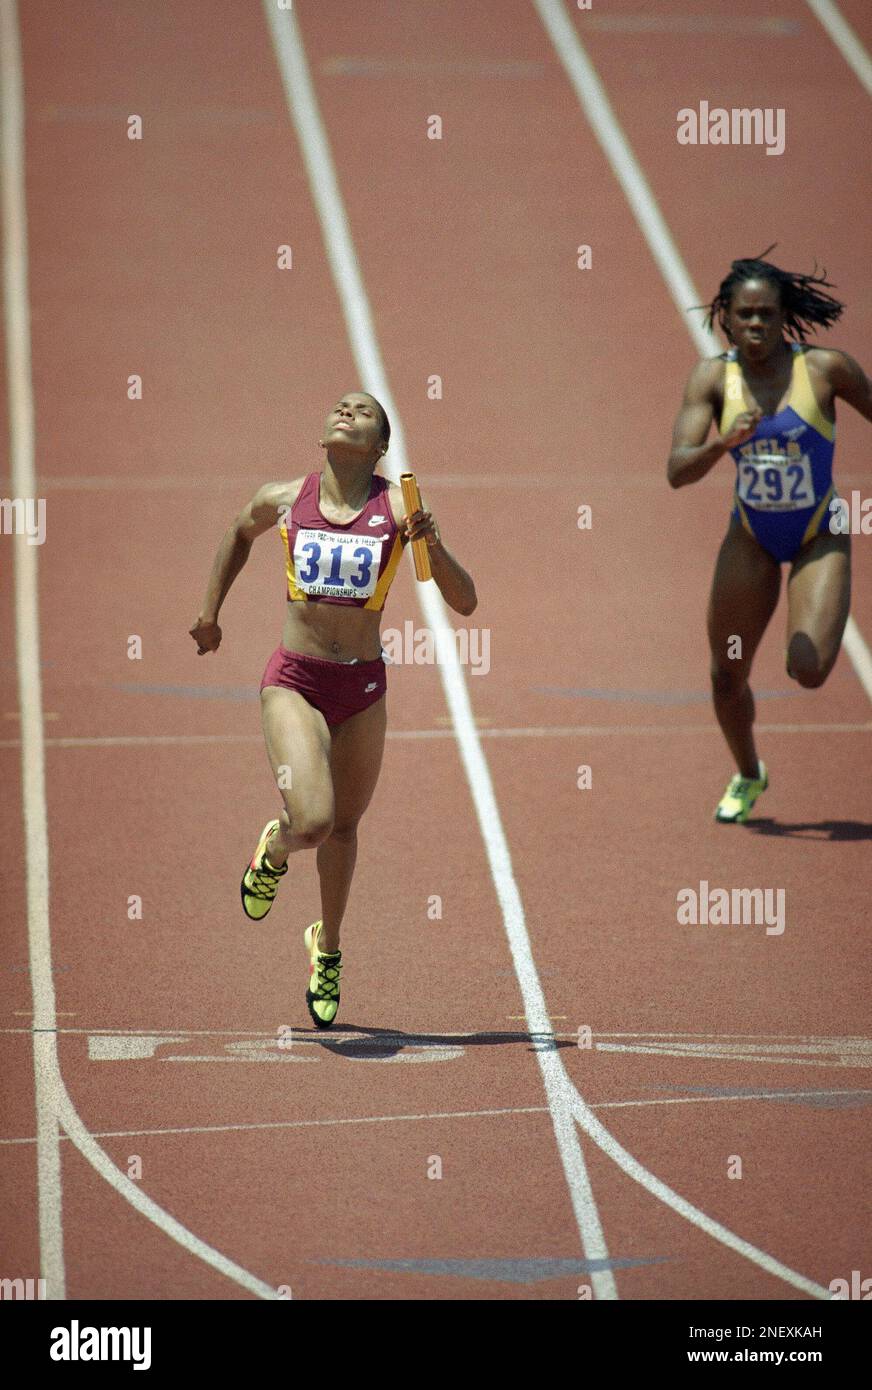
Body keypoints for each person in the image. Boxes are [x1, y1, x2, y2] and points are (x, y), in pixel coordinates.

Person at [190, 391, 477, 1024]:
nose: (347, 411)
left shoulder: (401, 506)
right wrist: (211, 614)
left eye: (365, 411)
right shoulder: (285, 498)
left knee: (345, 828)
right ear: (323, 435)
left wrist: (433, 543)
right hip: (296, 680)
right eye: (339, 407)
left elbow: (464, 601)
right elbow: (238, 531)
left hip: (363, 689)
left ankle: (328, 947)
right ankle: (276, 850)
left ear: (380, 445)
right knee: (314, 822)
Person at [667, 248, 872, 821]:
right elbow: (676, 472)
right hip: (752, 534)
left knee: (806, 670)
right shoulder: (713, 379)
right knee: (725, 675)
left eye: (767, 314)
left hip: (817, 533)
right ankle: (749, 774)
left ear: (785, 318)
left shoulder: (827, 370)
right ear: (725, 317)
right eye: (745, 315)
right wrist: (721, 443)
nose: (756, 325)